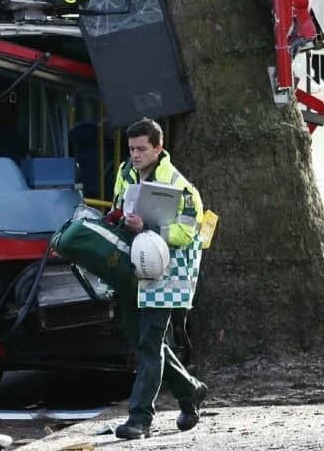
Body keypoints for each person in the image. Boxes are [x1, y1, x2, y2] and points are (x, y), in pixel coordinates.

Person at [107, 118, 208, 440]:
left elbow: (188, 232)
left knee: (149, 344)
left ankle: (140, 420)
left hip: (172, 270)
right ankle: (190, 391)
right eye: (131, 149)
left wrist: (148, 228)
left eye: (141, 149)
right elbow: (117, 208)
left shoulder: (181, 187)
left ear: (158, 148)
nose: (134, 155)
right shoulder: (125, 174)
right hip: (138, 265)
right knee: (145, 342)